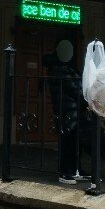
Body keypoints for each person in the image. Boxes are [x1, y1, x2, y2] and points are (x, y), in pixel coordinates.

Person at [43, 38, 88, 184]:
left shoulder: (62, 68)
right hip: (68, 112)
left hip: (72, 111)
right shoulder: (60, 70)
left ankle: (76, 169)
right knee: (68, 143)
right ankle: (65, 172)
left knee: (75, 143)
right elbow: (77, 89)